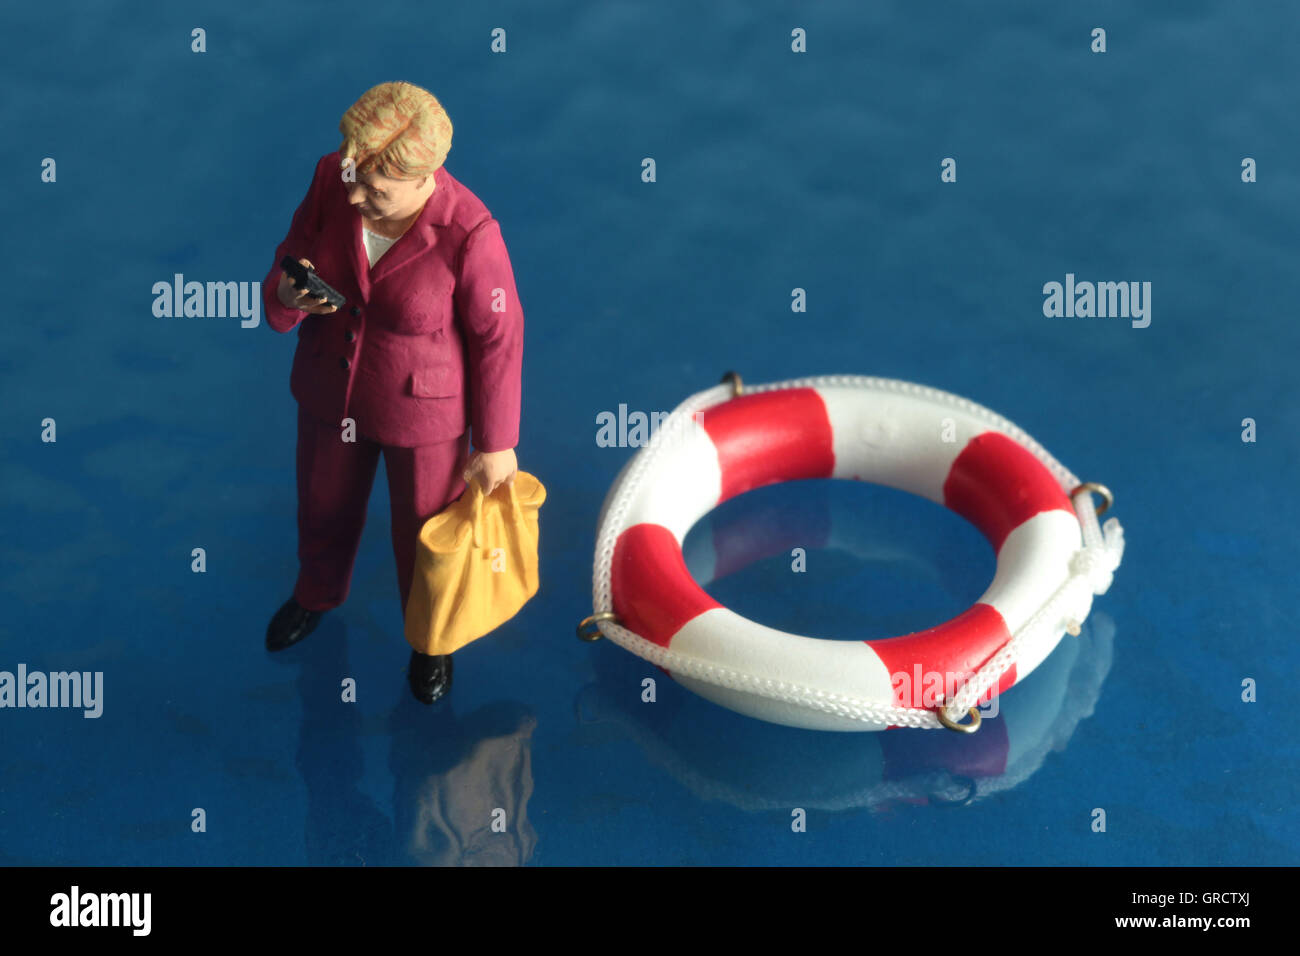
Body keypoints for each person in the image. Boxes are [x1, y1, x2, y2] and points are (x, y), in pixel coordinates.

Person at [260, 81, 524, 704]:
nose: (353, 195)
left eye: (374, 190)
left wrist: (497, 443)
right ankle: (316, 592)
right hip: (333, 389)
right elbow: (292, 252)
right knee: (322, 504)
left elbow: (499, 337)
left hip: (423, 412)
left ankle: (431, 639)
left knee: (427, 533)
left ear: (424, 179)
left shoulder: (470, 231)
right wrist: (287, 294)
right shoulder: (333, 177)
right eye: (353, 177)